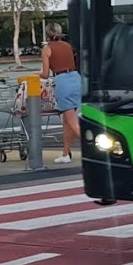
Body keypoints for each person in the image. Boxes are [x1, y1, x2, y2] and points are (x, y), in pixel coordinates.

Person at [40, 23, 81, 164]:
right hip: (76, 78)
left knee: (72, 122)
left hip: (63, 81)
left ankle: (97, 148)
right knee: (67, 120)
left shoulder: (47, 49)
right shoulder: (67, 46)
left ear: (47, 34)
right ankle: (65, 153)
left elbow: (45, 74)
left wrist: (36, 75)